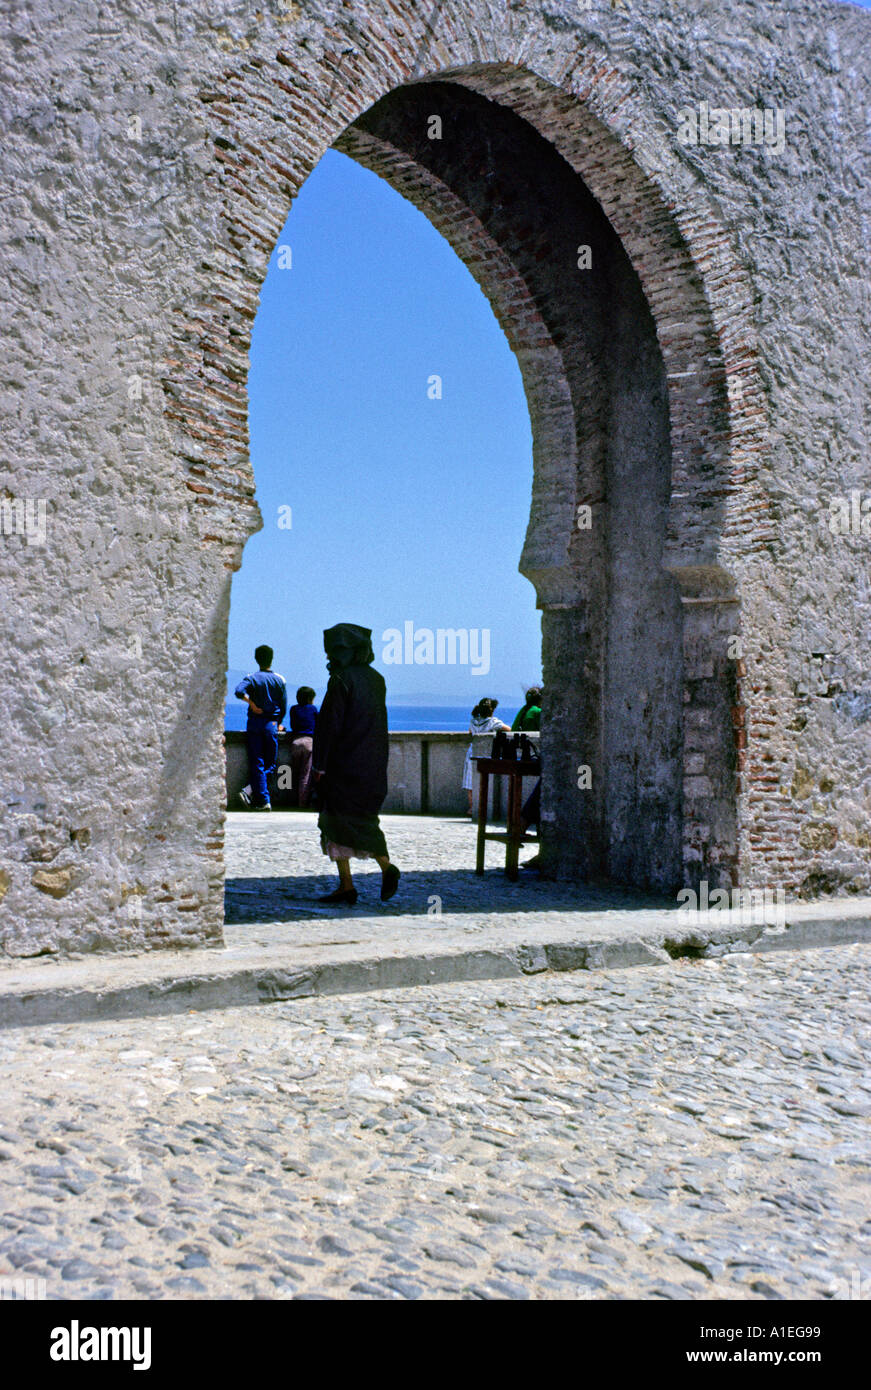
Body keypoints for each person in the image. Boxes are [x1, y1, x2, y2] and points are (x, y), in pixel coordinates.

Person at [311, 623, 400, 906]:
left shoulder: (341, 680)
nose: (329, 659)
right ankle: (380, 868)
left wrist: (320, 765)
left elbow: (329, 725)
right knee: (364, 820)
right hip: (372, 764)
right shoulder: (377, 679)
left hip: (342, 766)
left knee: (334, 821)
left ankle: (348, 884)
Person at [235, 645, 287, 811]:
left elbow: (238, 691)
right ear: (272, 658)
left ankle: (254, 794)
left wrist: (251, 703)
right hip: (271, 724)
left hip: (254, 723)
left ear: (256, 659)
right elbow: (283, 705)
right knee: (270, 763)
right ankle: (259, 796)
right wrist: (279, 721)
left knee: (256, 761)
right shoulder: (280, 680)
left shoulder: (251, 678)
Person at [462, 698, 509, 816]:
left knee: (470, 781)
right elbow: (509, 729)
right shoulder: (493, 722)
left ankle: (471, 807)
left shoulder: (473, 722)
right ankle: (485, 807)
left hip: (472, 752)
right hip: (487, 753)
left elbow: (470, 734)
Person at [287, 686, 318, 808]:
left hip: (295, 742)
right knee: (305, 775)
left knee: (293, 773)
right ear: (311, 698)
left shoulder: (294, 709)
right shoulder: (313, 709)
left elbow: (292, 724)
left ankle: (290, 800)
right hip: (309, 743)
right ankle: (302, 804)